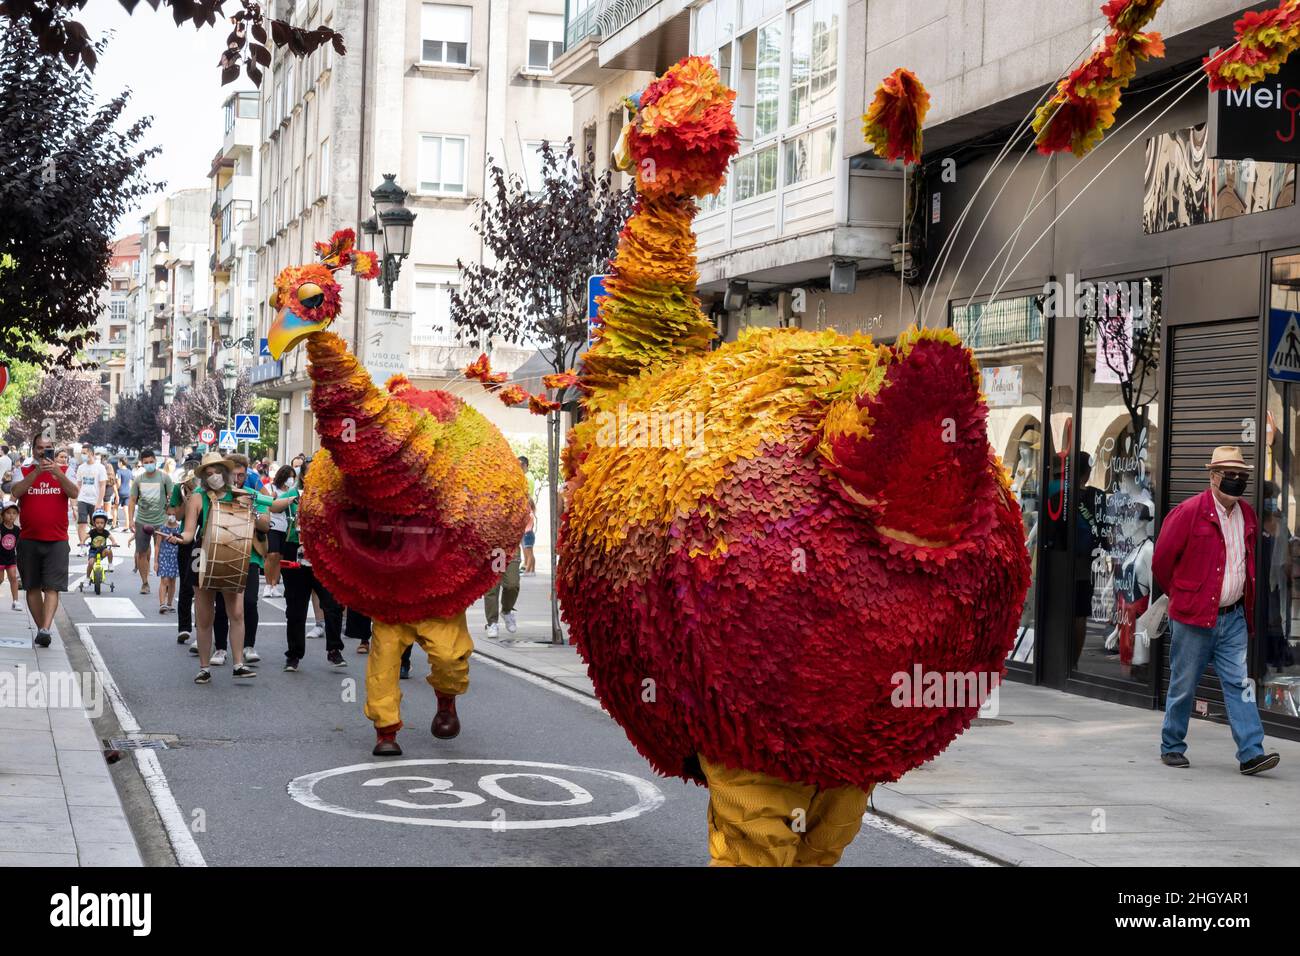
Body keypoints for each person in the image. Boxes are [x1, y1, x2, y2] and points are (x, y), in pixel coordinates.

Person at [1154, 445, 1281, 776]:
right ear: (1213, 477)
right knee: (1184, 685)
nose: (1237, 481)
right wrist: (1184, 596)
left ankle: (1252, 752)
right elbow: (1162, 562)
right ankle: (1172, 745)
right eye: (1230, 475)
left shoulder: (1247, 515)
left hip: (1233, 617)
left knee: (1240, 684)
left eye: (1242, 476)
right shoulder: (1188, 512)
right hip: (1194, 618)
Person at [167, 452, 267, 683]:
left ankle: (239, 663)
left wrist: (254, 511)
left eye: (217, 472)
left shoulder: (241, 494)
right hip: (201, 554)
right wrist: (179, 538)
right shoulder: (197, 497)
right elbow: (190, 531)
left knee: (237, 612)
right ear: (203, 477)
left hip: (233, 553)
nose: (213, 477)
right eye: (208, 473)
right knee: (204, 615)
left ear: (225, 472)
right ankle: (204, 668)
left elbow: (264, 523)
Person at [271, 456, 346, 671]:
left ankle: (334, 649)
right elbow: (274, 507)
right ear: (303, 475)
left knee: (332, 604)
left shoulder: (333, 496)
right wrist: (290, 500)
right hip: (295, 550)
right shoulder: (294, 494)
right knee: (295, 608)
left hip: (324, 554)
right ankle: (293, 655)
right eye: (310, 472)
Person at [4, 433, 77, 646]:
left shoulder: (64, 470)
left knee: (52, 587)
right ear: (33, 449)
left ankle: (45, 628)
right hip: (29, 539)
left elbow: (74, 492)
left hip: (57, 540)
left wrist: (57, 473)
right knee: (33, 587)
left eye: (47, 447)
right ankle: (42, 630)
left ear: (53, 449)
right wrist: (36, 472)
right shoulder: (24, 470)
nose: (42, 451)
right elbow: (15, 493)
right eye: (39, 447)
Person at [212, 454, 270, 665]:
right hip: (224, 553)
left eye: (242, 474)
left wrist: (250, 507)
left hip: (250, 555)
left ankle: (249, 645)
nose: (238, 478)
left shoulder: (254, 494)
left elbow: (265, 525)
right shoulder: (218, 494)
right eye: (234, 474)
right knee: (221, 604)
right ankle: (219, 648)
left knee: (250, 602)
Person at [128, 450, 173, 596]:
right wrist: (130, 520)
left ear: (155, 461)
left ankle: (164, 583)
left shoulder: (164, 478)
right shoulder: (138, 480)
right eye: (145, 462)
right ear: (141, 463)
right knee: (141, 553)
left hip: (161, 521)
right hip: (142, 521)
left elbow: (171, 498)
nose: (148, 464)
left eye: (150, 461)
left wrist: (171, 517)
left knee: (163, 554)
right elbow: (132, 500)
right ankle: (145, 583)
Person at [170, 455, 202, 649]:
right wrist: (187, 499)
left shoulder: (206, 487)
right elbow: (177, 515)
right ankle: (184, 627)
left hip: (203, 537)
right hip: (186, 537)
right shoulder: (179, 487)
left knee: (201, 587)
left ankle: (201, 628)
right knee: (186, 584)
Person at [261, 465, 296, 598]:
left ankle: (275, 585)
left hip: (285, 527)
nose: (291, 480)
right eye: (289, 477)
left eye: (293, 477)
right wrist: (272, 498)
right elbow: (266, 504)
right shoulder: (271, 488)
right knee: (272, 555)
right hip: (272, 525)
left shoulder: (291, 491)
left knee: (279, 558)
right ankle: (268, 585)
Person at [72, 443, 106, 555]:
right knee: (81, 523)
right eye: (82, 453)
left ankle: (96, 546)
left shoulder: (100, 467)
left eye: (84, 453)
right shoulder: (81, 467)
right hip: (82, 499)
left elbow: (102, 486)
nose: (82, 455)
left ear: (91, 453)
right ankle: (82, 546)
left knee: (95, 525)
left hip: (95, 500)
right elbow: (78, 485)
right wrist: (75, 502)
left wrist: (99, 502)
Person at [483, 548, 521, 638]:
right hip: (491, 547)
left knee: (512, 584)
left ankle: (506, 611)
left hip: (511, 546)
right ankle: (492, 623)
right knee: (492, 587)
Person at [155, 514, 180, 614]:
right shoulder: (162, 528)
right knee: (164, 580)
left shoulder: (179, 528)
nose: (171, 516)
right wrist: (156, 561)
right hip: (164, 556)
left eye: (173, 514)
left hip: (175, 557)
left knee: (172, 581)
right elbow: (157, 546)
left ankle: (169, 604)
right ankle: (162, 604)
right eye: (169, 514)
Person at [83, 510, 115, 583]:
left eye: (101, 523)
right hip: (93, 551)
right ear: (94, 523)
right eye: (97, 523)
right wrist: (82, 541)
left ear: (105, 523)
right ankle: (87, 578)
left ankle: (110, 564)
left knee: (109, 550)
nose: (99, 524)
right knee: (91, 563)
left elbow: (111, 537)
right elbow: (86, 536)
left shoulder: (105, 532)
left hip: (102, 551)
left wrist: (114, 542)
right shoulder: (93, 531)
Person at [519, 455, 537, 575]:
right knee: (525, 546)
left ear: (524, 465)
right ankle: (527, 566)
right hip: (527, 510)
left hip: (526, 510)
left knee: (528, 548)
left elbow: (526, 494)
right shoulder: (527, 477)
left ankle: (528, 568)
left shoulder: (527, 477)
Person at [1, 503, 20, 610]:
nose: (11, 516)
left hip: (11, 558)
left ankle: (15, 601)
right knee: (0, 579)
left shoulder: (17, 530)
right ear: (3, 515)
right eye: (8, 513)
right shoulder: (1, 528)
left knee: (13, 577)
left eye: (14, 513)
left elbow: (17, 544)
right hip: (0, 558)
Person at [114, 457, 133, 529]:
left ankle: (114, 524)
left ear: (121, 463)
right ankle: (127, 525)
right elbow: (131, 483)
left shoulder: (119, 471)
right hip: (128, 492)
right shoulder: (130, 471)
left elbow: (118, 483)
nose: (118, 464)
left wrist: (116, 490)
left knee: (115, 508)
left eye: (118, 462)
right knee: (126, 509)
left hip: (120, 492)